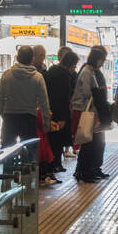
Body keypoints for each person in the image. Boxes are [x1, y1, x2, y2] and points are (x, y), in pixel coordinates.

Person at [0, 45, 51, 174]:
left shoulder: (7, 75)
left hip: (10, 118)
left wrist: (4, 114)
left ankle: (7, 178)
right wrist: (46, 122)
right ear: (32, 59)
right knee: (30, 150)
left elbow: (0, 98)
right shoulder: (37, 77)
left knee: (7, 149)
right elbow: (44, 103)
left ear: (17, 58)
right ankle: (28, 180)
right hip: (29, 118)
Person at [71, 46, 112, 182]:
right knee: (88, 143)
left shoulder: (90, 72)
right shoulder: (88, 72)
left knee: (90, 144)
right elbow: (88, 94)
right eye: (102, 60)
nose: (102, 63)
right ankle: (84, 172)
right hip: (86, 112)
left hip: (87, 111)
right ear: (96, 59)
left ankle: (85, 171)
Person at [44, 50, 79, 178]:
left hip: (50, 111)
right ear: (70, 64)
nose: (74, 69)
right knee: (57, 141)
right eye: (74, 66)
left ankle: (53, 165)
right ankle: (54, 166)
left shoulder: (52, 71)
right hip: (59, 114)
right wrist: (64, 117)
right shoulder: (64, 75)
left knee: (52, 140)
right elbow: (64, 98)